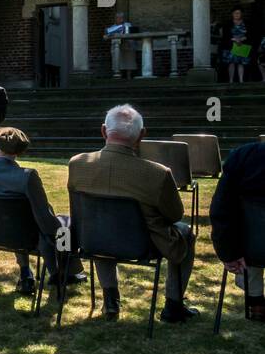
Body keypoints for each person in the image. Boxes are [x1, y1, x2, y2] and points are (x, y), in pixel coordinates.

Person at [67, 104, 198, 323]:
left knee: (100, 220)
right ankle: (174, 304)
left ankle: (110, 300)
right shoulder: (157, 173)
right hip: (141, 244)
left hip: (92, 239)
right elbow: (174, 214)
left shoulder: (77, 164)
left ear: (103, 131)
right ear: (141, 136)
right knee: (184, 232)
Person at [0, 126, 81, 295]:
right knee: (63, 226)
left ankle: (26, 273)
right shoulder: (26, 177)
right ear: (19, 152)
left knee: (20, 222)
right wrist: (62, 231)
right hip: (24, 236)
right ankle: (62, 271)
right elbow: (45, 219)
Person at [209, 141, 265, 323]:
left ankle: (256, 304)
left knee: (254, 234)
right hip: (252, 246)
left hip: (251, 249)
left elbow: (220, 211)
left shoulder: (243, 156)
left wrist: (229, 253)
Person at [225, 6, 255, 84]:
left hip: (243, 44)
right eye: (235, 13)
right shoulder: (228, 23)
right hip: (231, 44)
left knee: (241, 62)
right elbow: (225, 35)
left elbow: (250, 34)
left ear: (241, 14)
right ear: (232, 14)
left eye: (239, 13)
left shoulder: (246, 23)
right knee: (231, 62)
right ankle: (231, 80)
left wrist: (242, 39)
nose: (237, 14)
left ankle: (241, 80)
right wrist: (234, 39)